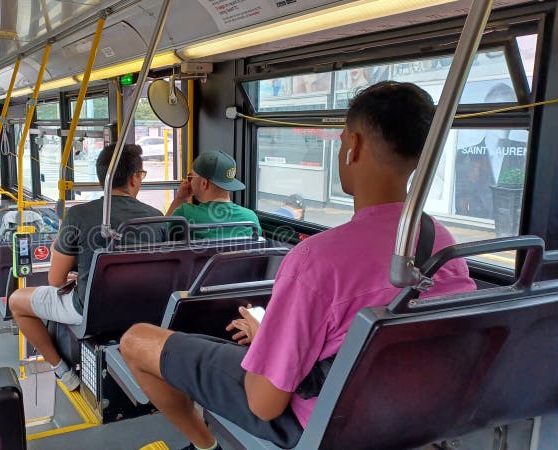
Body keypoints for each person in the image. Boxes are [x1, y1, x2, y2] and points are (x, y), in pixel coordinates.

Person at [118, 81, 476, 450]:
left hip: (321, 424)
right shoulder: (443, 245)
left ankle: (206, 445)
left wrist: (264, 342)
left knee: (136, 340)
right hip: (407, 414)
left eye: (339, 143)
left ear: (354, 146)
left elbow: (265, 403)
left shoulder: (317, 259)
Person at [8, 144, 166, 391]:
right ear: (135, 178)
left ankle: (62, 370)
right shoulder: (159, 217)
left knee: (17, 301)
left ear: (101, 178)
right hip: (147, 307)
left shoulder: (79, 215)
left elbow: (55, 279)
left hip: (91, 310)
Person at [454, 83, 527, 219]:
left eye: (512, 112)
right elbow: (462, 204)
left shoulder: (525, 151)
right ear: (487, 114)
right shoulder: (465, 156)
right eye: (501, 112)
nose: (507, 119)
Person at [167, 151, 261, 239]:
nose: (189, 181)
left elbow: (159, 233)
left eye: (190, 177)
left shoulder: (184, 213)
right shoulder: (251, 219)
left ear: (204, 183)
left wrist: (180, 199)